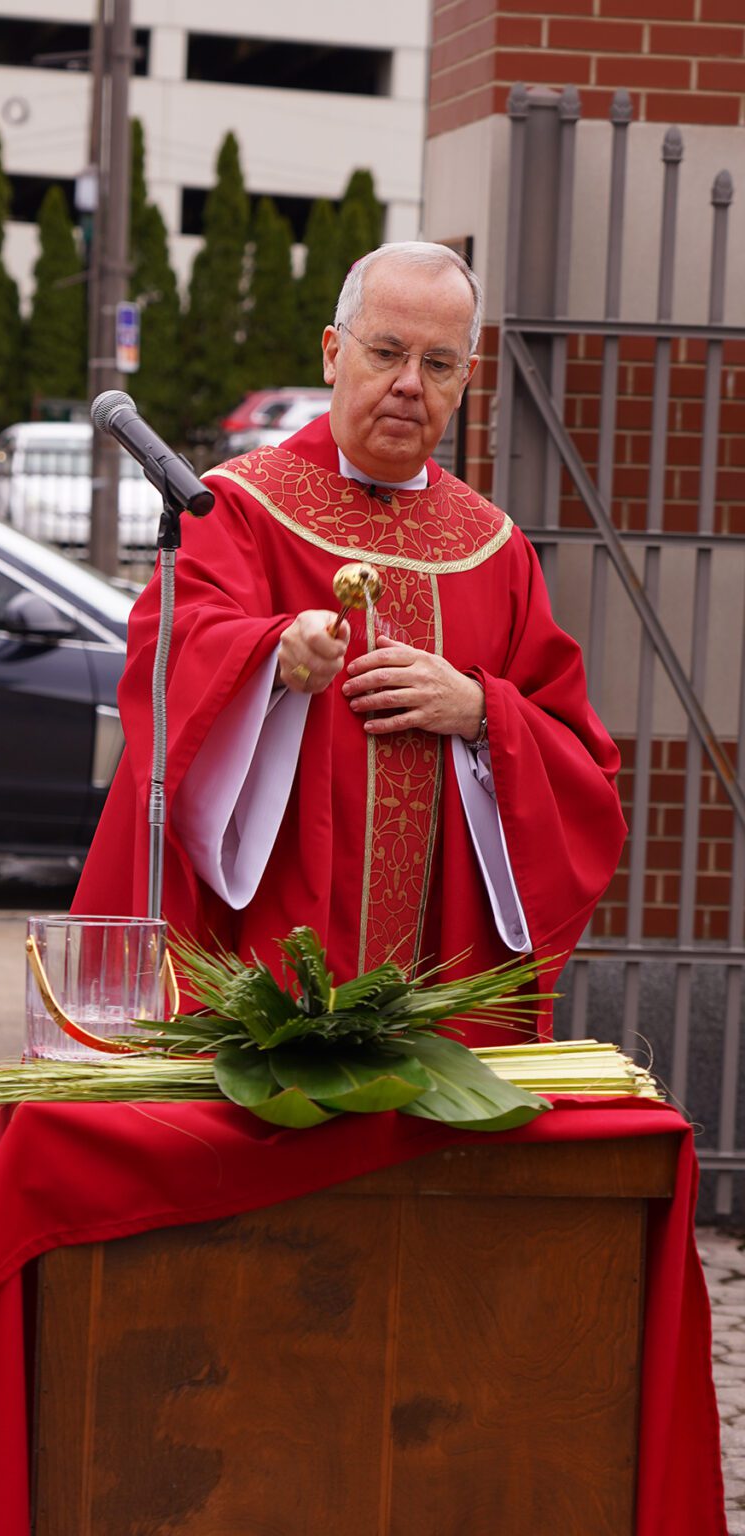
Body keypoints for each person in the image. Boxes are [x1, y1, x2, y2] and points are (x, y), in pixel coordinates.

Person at [73, 242, 626, 1043]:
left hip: (437, 980)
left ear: (466, 380)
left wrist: (478, 709)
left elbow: (583, 768)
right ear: (334, 354)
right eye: (388, 352)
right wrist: (269, 657)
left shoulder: (495, 549)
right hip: (262, 956)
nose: (410, 383)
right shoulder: (235, 508)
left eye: (439, 363)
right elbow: (167, 657)